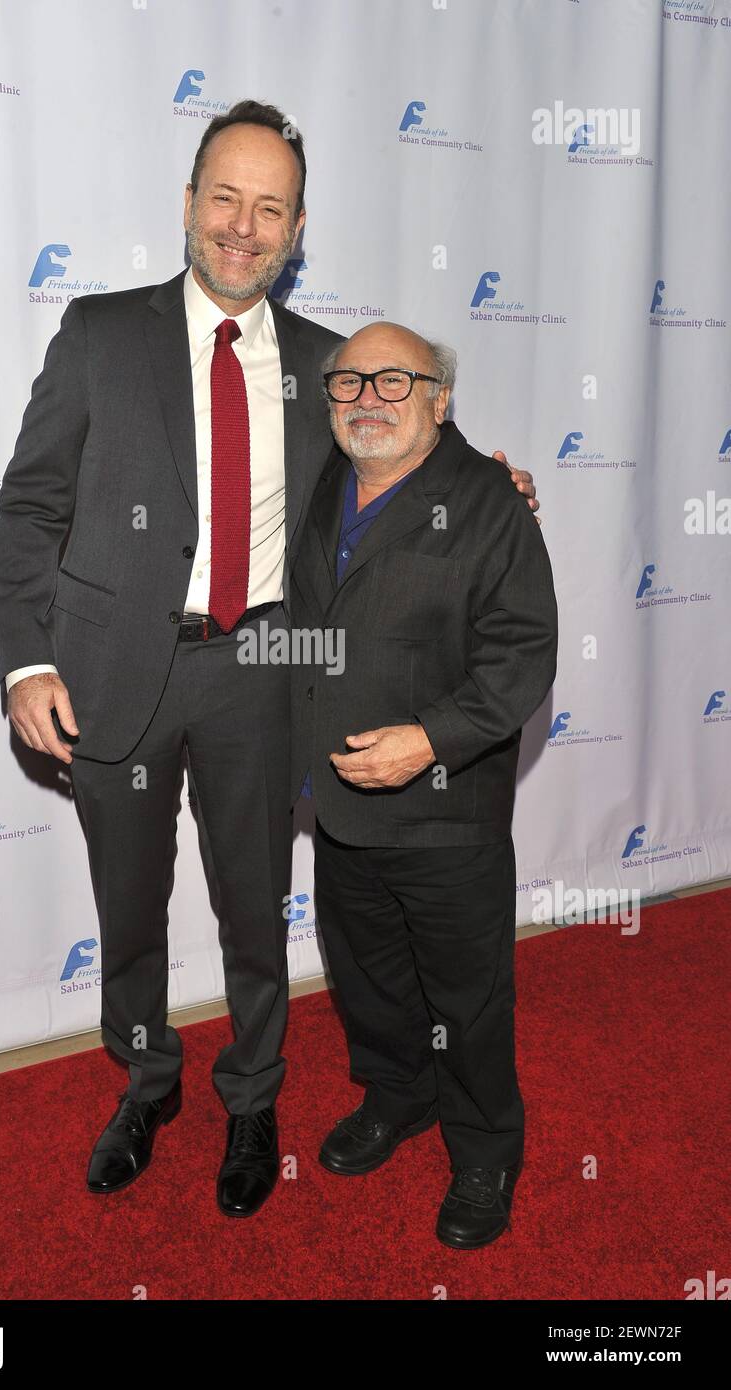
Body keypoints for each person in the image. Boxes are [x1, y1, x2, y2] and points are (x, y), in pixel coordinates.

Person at [0, 100, 540, 1220]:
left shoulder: (327, 364)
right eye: (227, 199)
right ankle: (146, 1081)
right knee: (130, 910)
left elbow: (410, 432)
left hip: (261, 673)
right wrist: (24, 661)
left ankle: (254, 1098)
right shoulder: (97, 335)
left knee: (256, 907)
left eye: (271, 208)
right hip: (109, 683)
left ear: (297, 232)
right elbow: (30, 508)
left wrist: (492, 481)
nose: (245, 226)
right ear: (189, 206)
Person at [290, 322, 558, 1248]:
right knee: (366, 979)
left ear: (439, 400)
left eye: (395, 381)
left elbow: (521, 657)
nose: (369, 397)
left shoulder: (486, 500)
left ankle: (485, 1150)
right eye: (350, 381)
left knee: (467, 996)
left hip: (448, 812)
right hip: (340, 805)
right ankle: (396, 1097)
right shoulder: (321, 481)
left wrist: (428, 741)